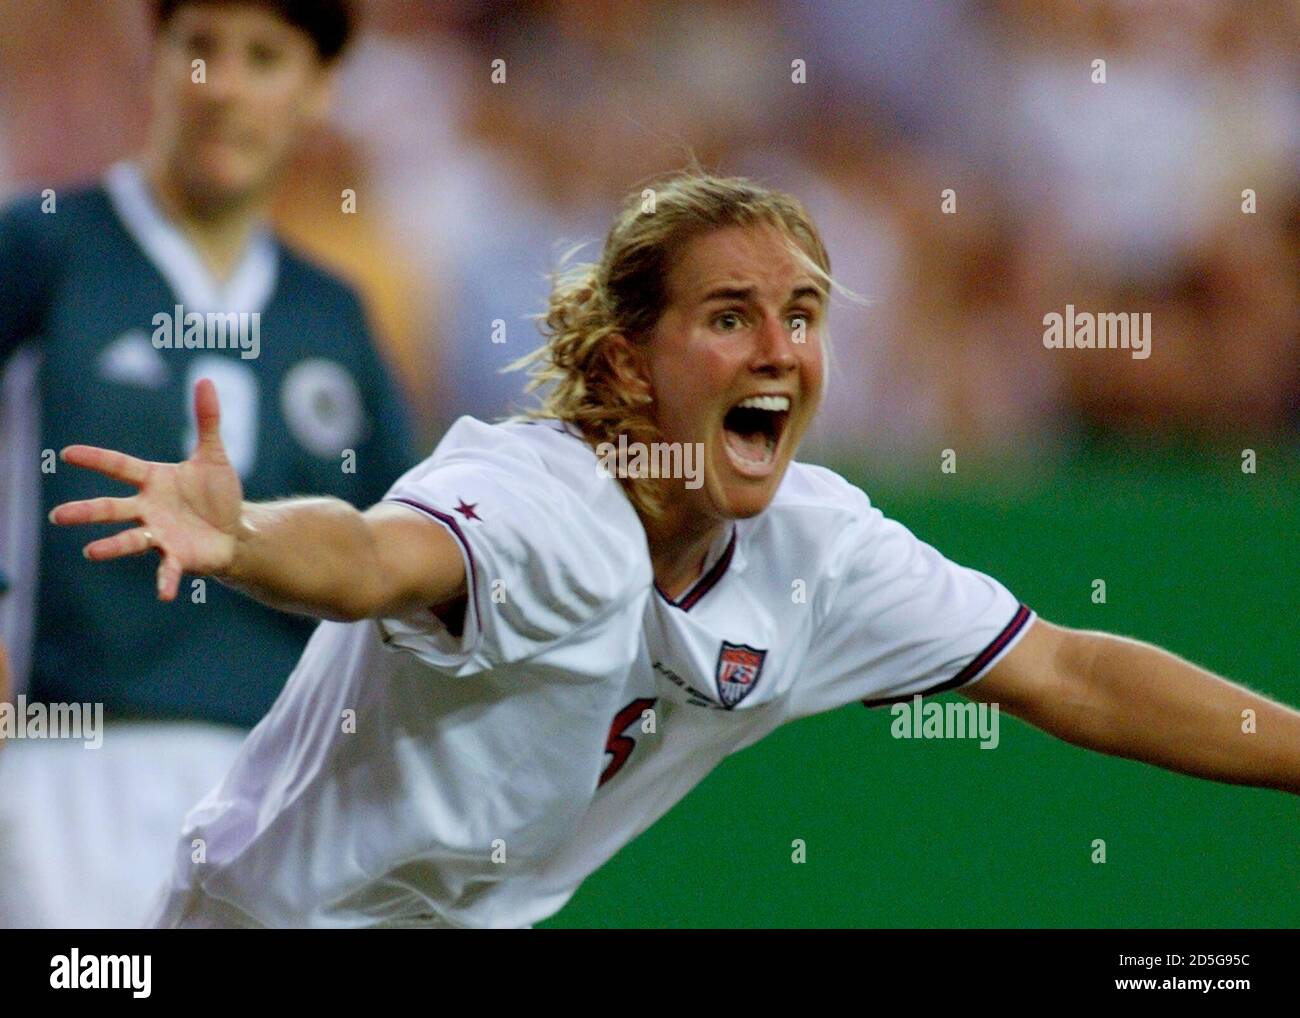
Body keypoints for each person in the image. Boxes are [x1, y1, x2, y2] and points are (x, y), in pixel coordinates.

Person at [52, 171, 1300, 929]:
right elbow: (377, 560)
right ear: (621, 366)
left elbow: (1068, 672)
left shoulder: (819, 546)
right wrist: (246, 535)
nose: (778, 346)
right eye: (727, 316)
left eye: (802, 314)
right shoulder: (541, 501)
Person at [0, 0, 413, 927]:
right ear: (154, 61)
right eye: (199, 48)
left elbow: (404, 555)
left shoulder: (333, 314)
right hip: (71, 765)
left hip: (282, 790)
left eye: (264, 57)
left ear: (318, 91)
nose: (222, 85)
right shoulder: (45, 248)